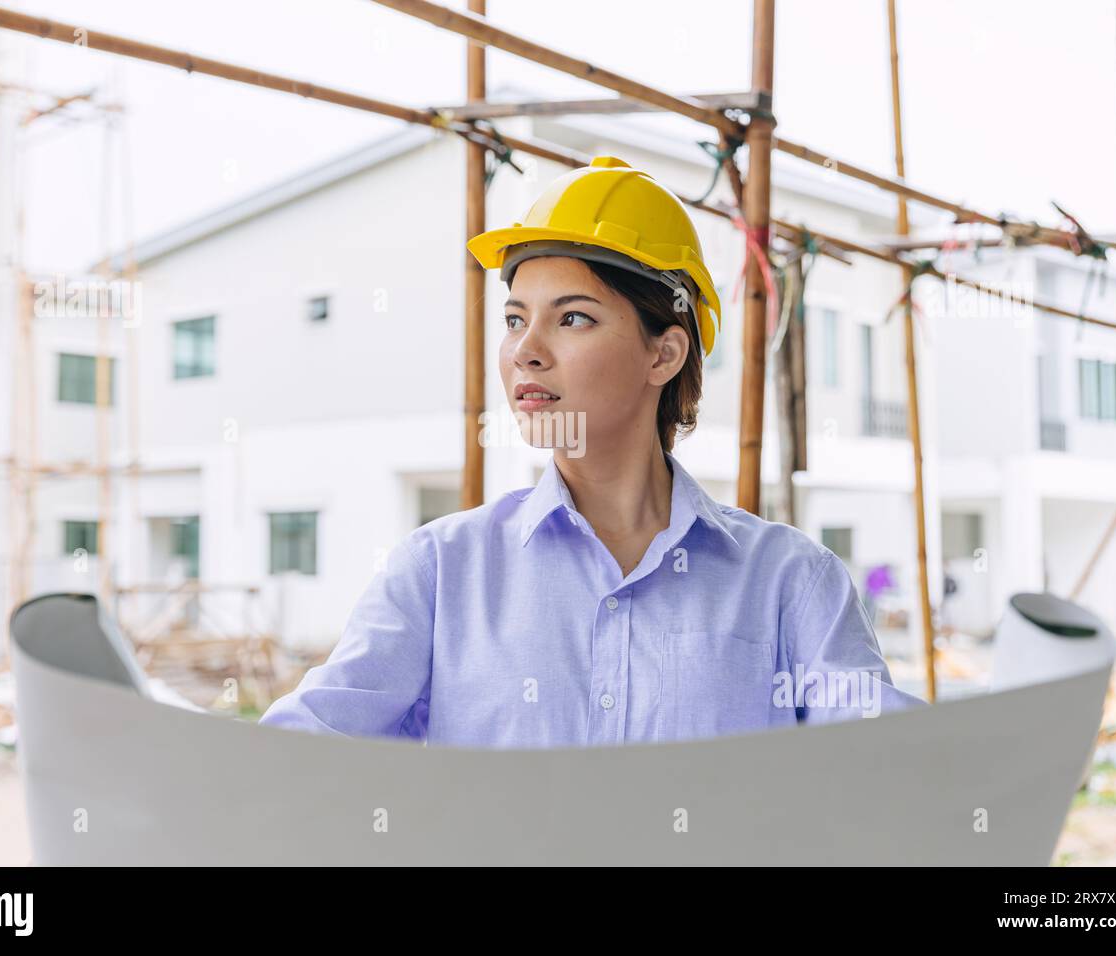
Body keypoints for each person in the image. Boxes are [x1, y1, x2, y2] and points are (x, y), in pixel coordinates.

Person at [260, 156, 924, 747]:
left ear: (663, 353)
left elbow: (902, 774)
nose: (526, 349)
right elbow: (290, 765)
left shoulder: (789, 584)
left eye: (572, 317)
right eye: (516, 318)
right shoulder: (438, 575)